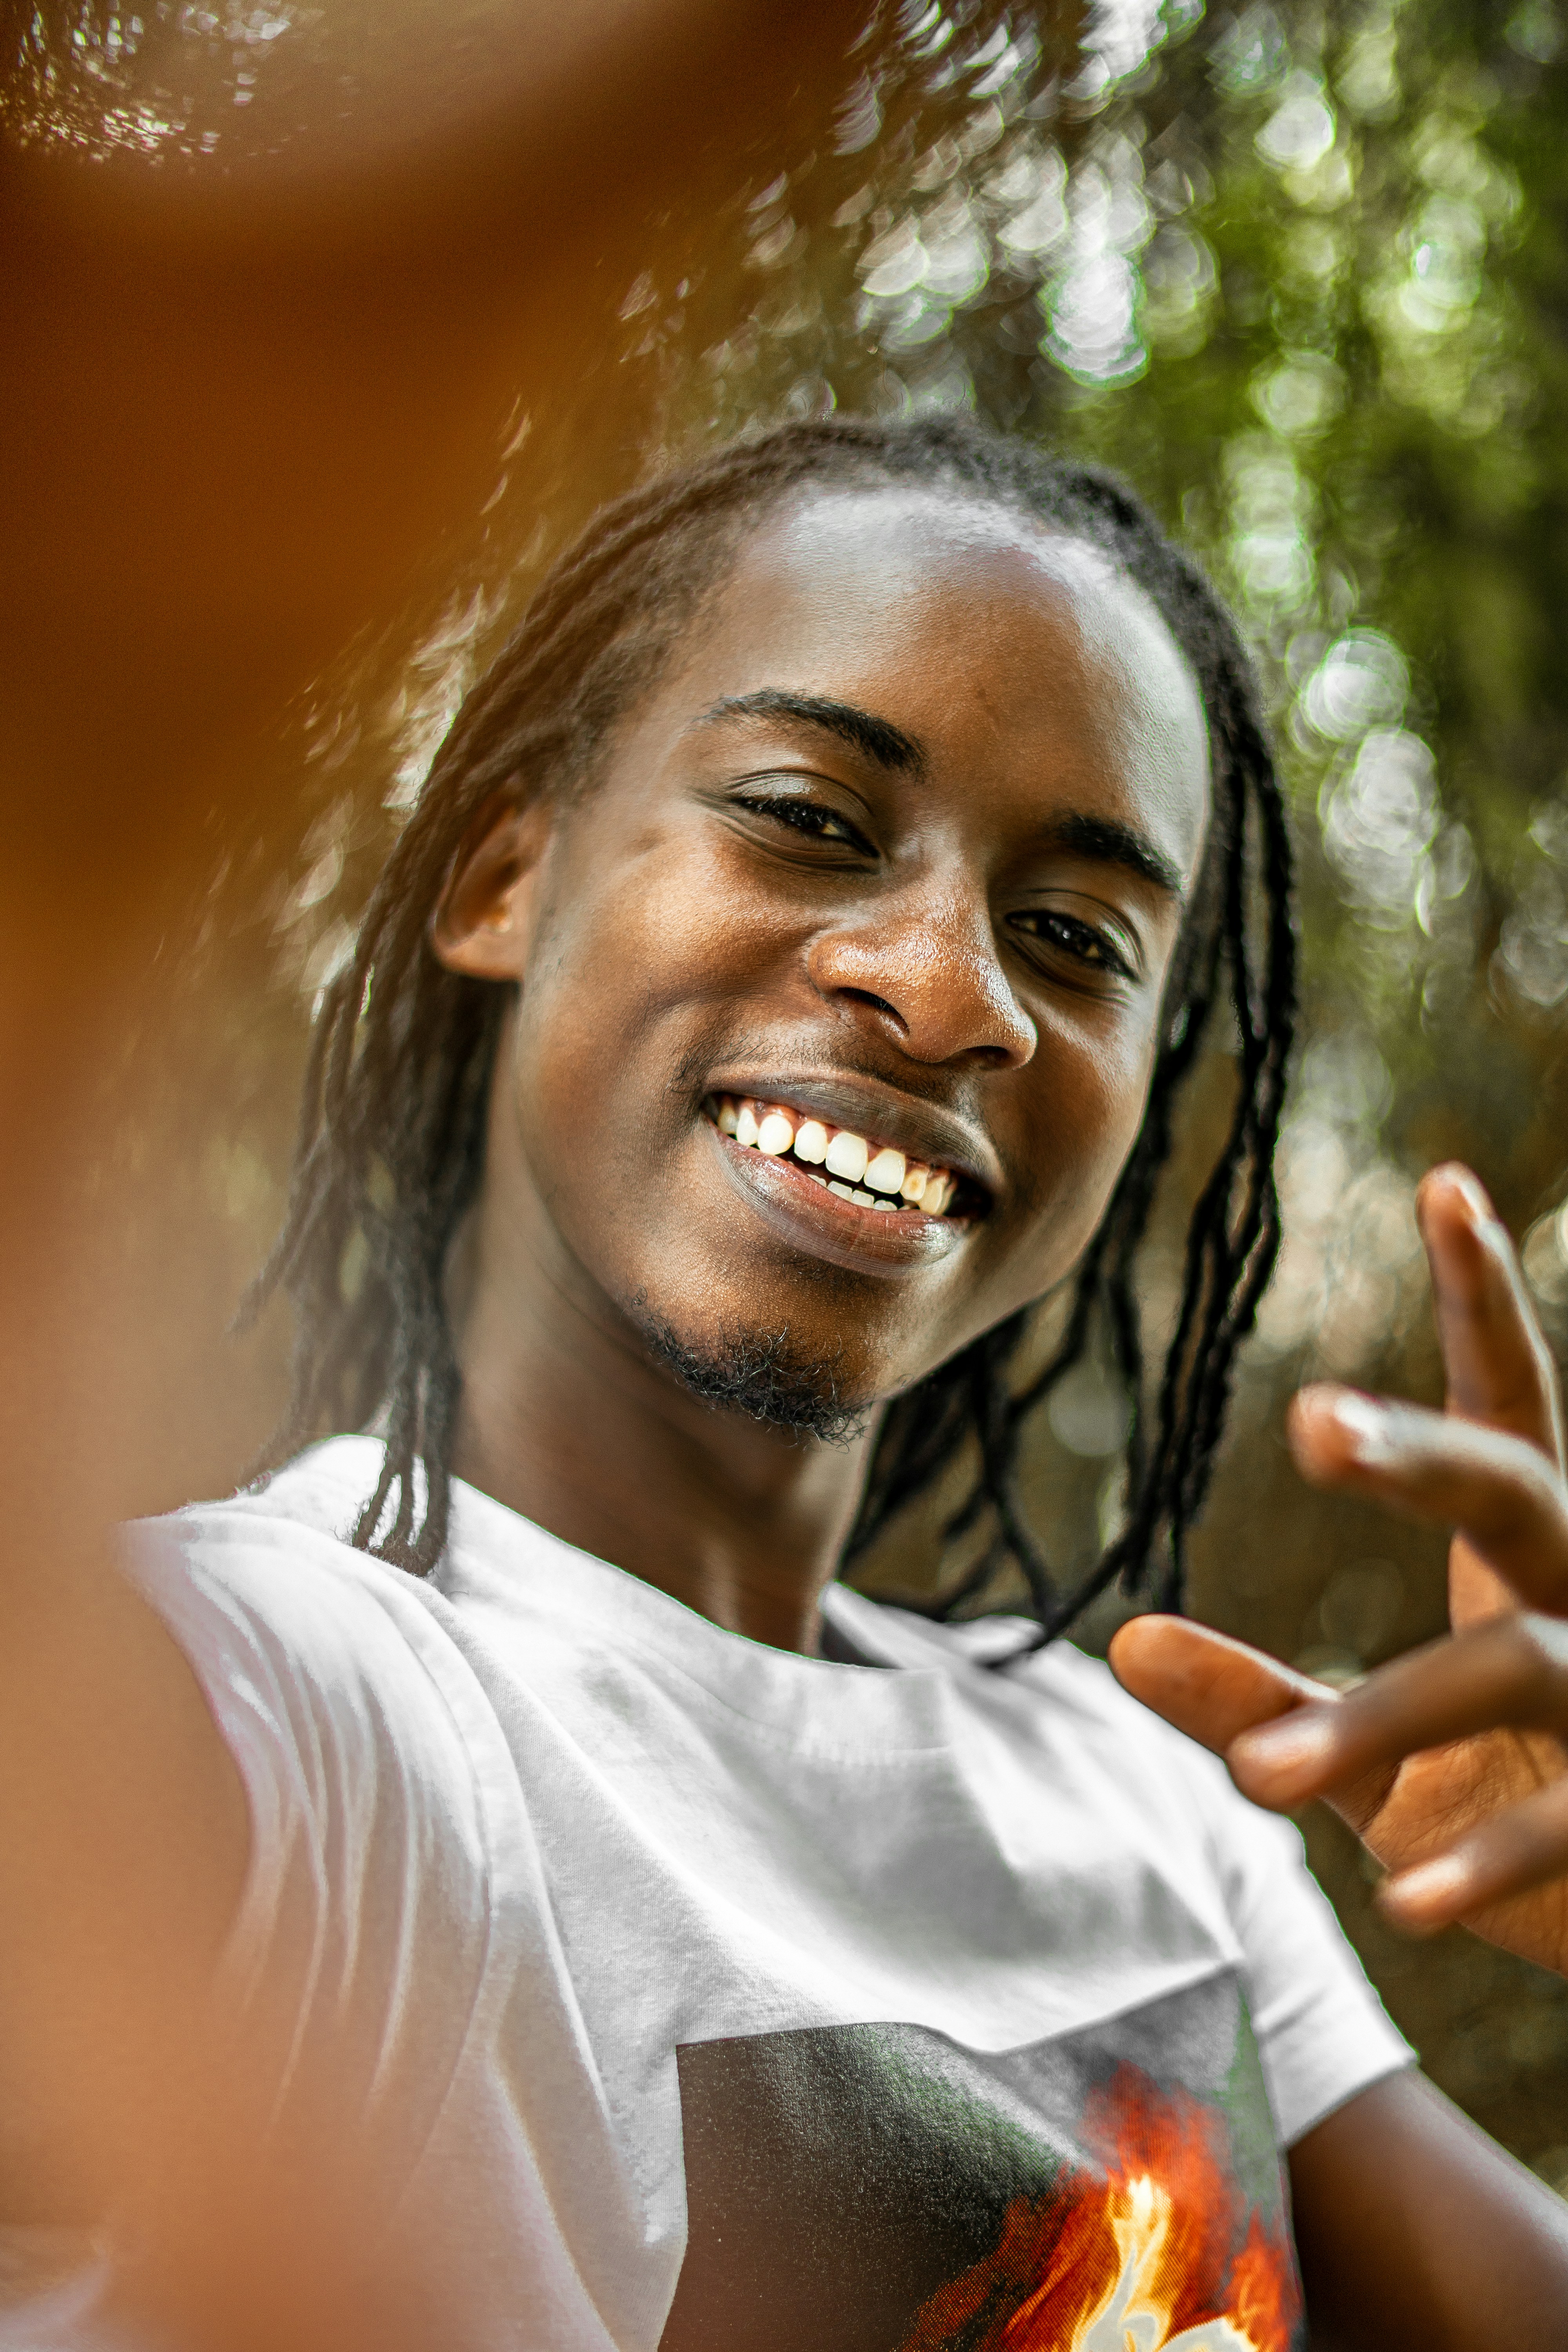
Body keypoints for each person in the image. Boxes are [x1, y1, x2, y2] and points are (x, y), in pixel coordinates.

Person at [8, 415, 1568, 2349]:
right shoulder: (304, 1700)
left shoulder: (1146, 1808)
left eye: (1074, 937)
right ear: (507, 875)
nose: (947, 990)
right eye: (811, 819)